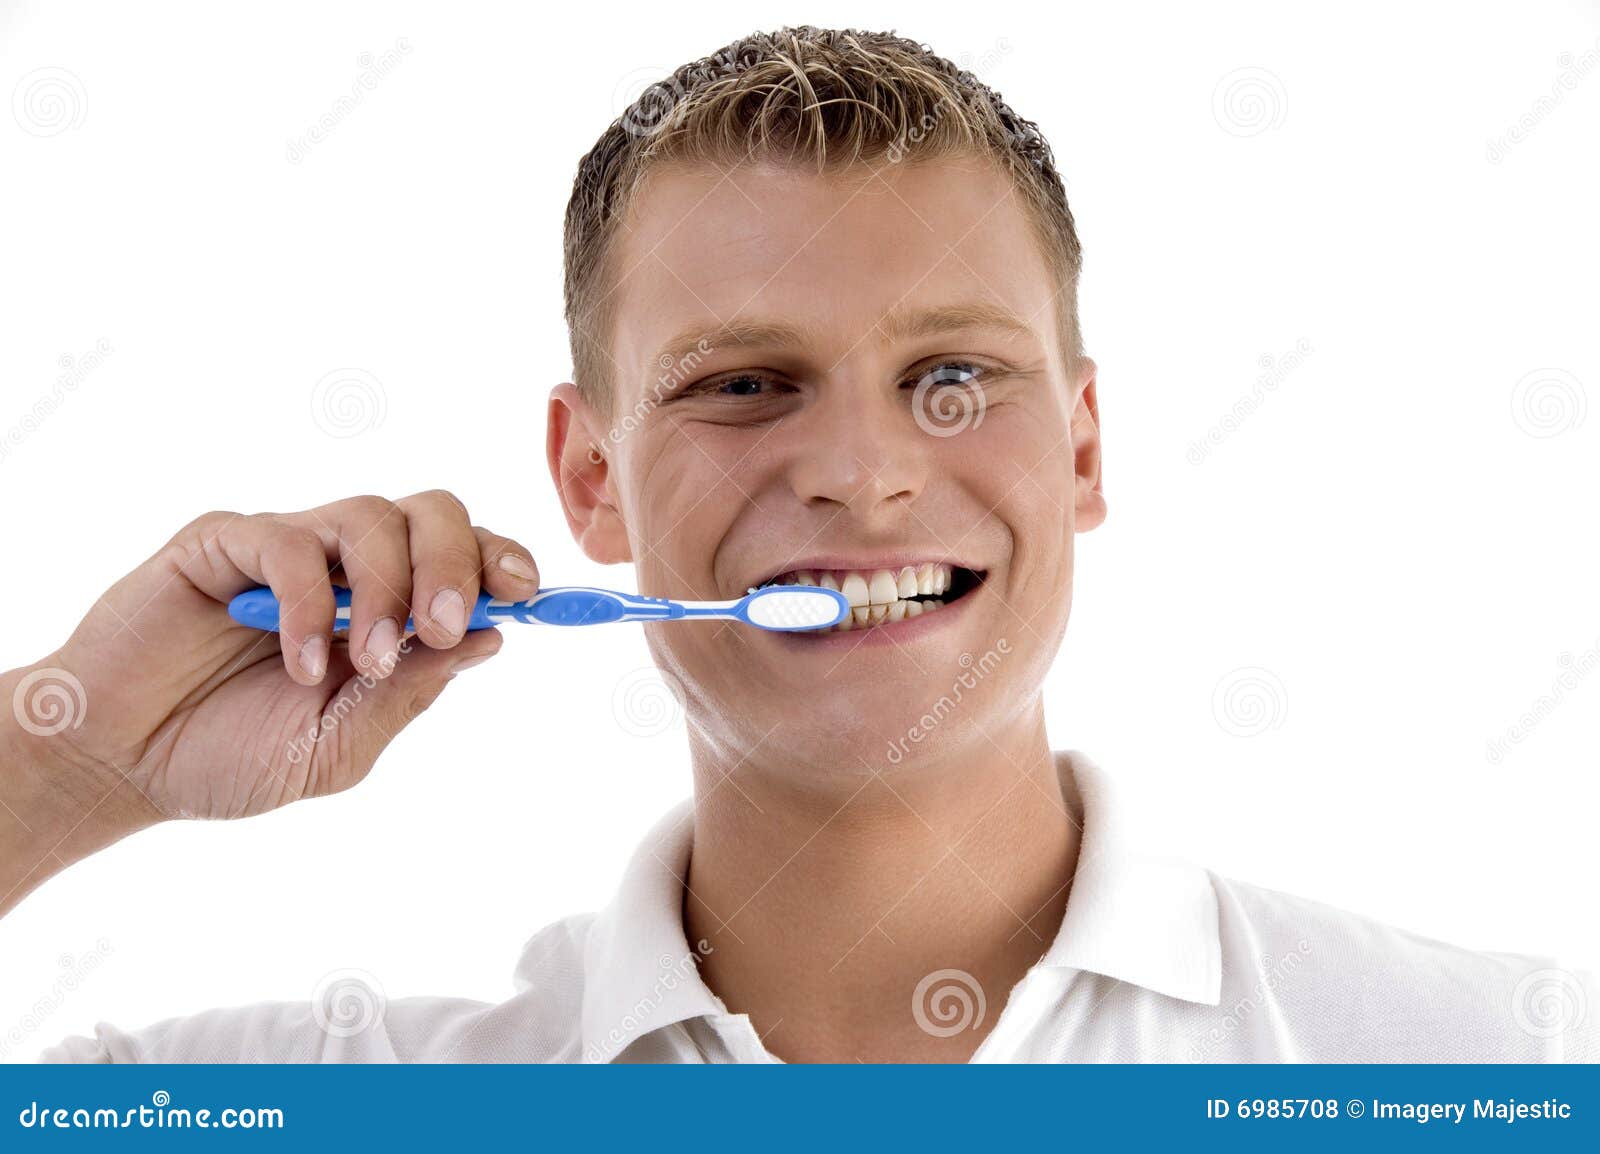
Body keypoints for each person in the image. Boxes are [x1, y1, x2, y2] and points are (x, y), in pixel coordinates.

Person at [3, 25, 1593, 1063]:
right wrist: (71, 757)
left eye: (953, 377)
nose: (859, 474)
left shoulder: (1491, 1065)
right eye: (745, 385)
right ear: (592, 478)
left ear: (1083, 446)